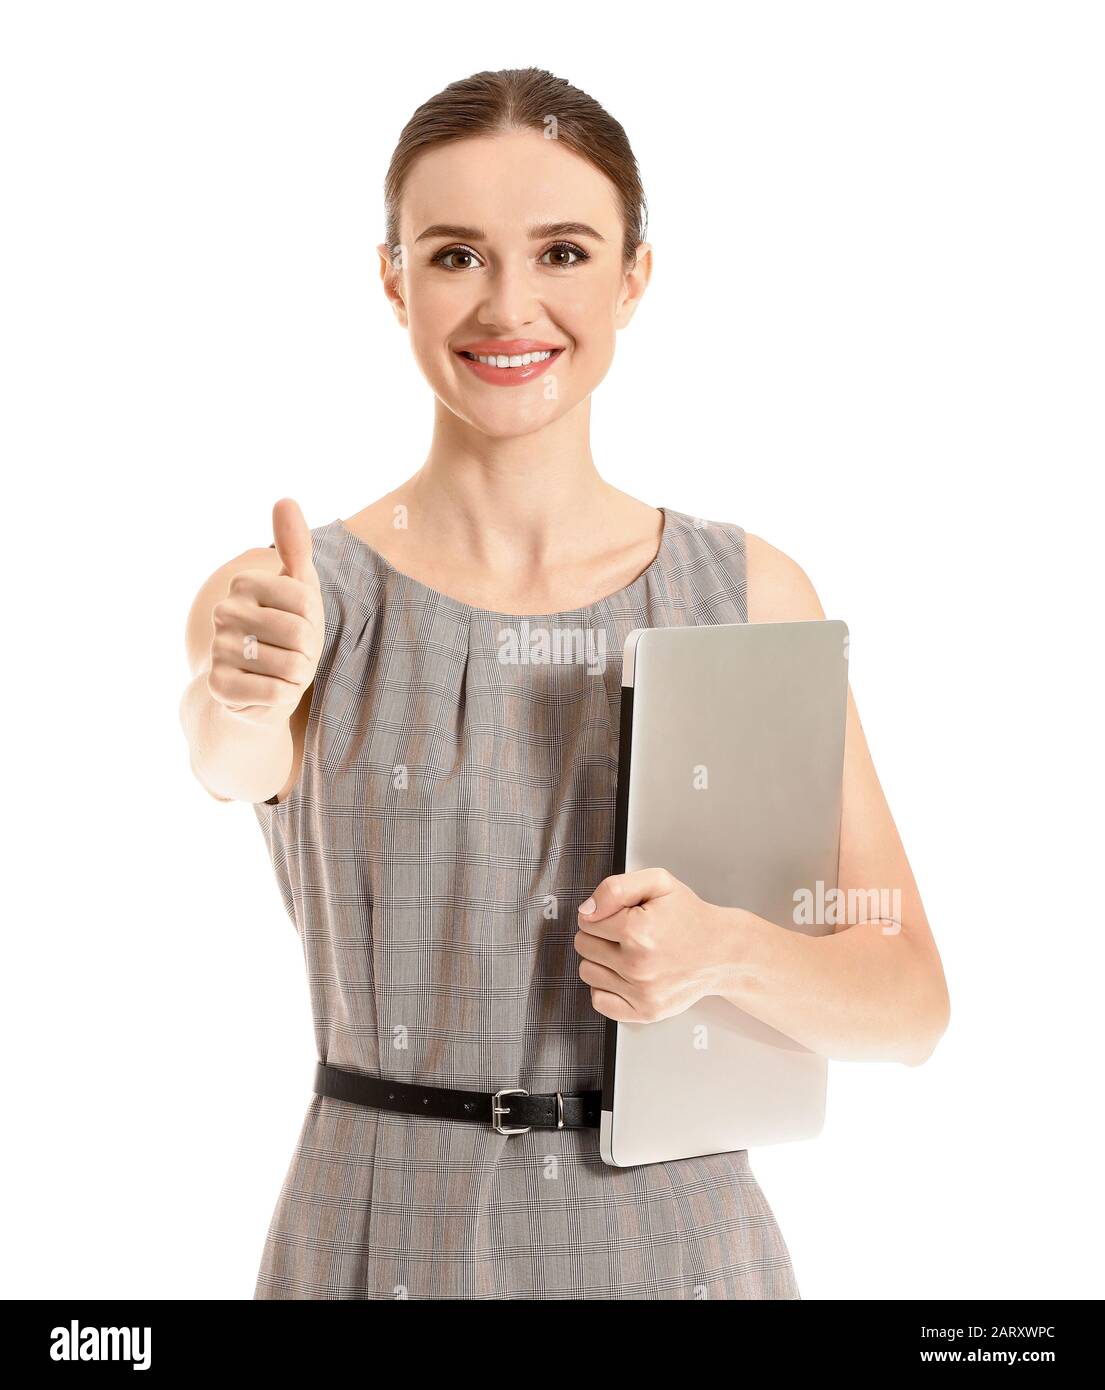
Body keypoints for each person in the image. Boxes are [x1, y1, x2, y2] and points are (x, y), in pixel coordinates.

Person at [179, 66, 950, 1300]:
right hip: (382, 1240)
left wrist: (726, 955)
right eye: (454, 256)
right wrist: (243, 694)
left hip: (681, 1246)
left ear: (634, 274)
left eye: (562, 250)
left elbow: (908, 1002)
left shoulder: (748, 591)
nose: (509, 305)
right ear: (393, 279)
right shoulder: (295, 592)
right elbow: (225, 749)